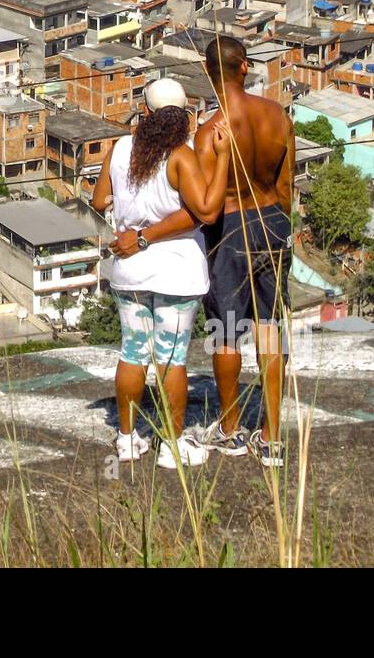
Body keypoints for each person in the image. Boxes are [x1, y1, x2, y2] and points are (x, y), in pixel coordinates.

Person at [91, 78, 231, 469]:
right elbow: (206, 211)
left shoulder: (120, 149)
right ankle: (170, 445)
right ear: (184, 115)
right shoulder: (181, 157)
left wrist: (133, 221)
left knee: (133, 352)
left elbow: (100, 199)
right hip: (176, 272)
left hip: (129, 272)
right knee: (171, 359)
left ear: (146, 112)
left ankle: (126, 439)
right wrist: (220, 159)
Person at [192, 36, 295, 468]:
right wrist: (282, 229)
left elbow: (204, 206)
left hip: (228, 229)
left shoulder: (208, 132)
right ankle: (270, 436)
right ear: (244, 67)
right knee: (270, 327)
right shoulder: (276, 115)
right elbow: (288, 185)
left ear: (208, 72)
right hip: (273, 219)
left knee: (227, 331)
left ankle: (231, 429)